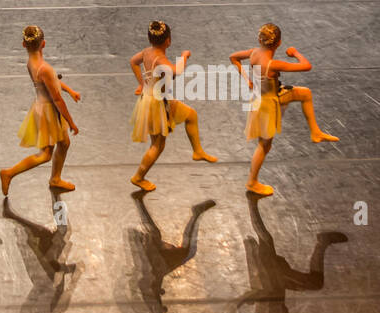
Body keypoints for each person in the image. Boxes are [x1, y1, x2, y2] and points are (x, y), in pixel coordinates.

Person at [230, 23, 338, 197]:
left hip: (262, 98)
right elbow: (306, 66)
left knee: (304, 94)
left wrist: (247, 79)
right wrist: (295, 53)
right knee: (264, 146)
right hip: (270, 103)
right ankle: (252, 182)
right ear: (279, 43)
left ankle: (315, 132)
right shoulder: (273, 64)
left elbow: (233, 57)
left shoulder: (253, 53)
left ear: (259, 40)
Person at [129, 20, 217, 192]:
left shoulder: (147, 52)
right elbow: (176, 72)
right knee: (158, 145)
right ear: (168, 40)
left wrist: (142, 83)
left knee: (191, 115)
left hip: (158, 99)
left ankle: (197, 151)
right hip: (155, 103)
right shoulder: (160, 59)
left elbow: (133, 61)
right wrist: (184, 56)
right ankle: (138, 177)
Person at [0, 26, 79, 197]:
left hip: (42, 106)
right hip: (50, 112)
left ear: (23, 44)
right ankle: (9, 173)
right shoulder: (43, 68)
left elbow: (52, 84)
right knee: (45, 154)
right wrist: (71, 122)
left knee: (64, 143)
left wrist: (70, 90)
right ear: (44, 44)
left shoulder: (31, 63)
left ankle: (55, 178)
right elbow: (57, 98)